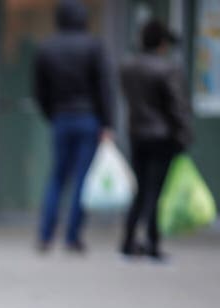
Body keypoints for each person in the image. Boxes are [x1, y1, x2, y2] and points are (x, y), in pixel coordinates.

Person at [33, 0, 114, 253]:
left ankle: (46, 235)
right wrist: (108, 122)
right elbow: (104, 88)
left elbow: (39, 90)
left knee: (57, 176)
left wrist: (51, 113)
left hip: (61, 117)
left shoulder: (46, 47)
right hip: (88, 118)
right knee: (81, 178)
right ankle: (72, 236)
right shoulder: (93, 46)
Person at [119, 19, 192, 261]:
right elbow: (177, 106)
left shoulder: (128, 67)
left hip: (137, 134)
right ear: (161, 43)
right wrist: (184, 135)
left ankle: (129, 239)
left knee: (140, 189)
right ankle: (152, 242)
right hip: (162, 136)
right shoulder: (166, 69)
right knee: (156, 191)